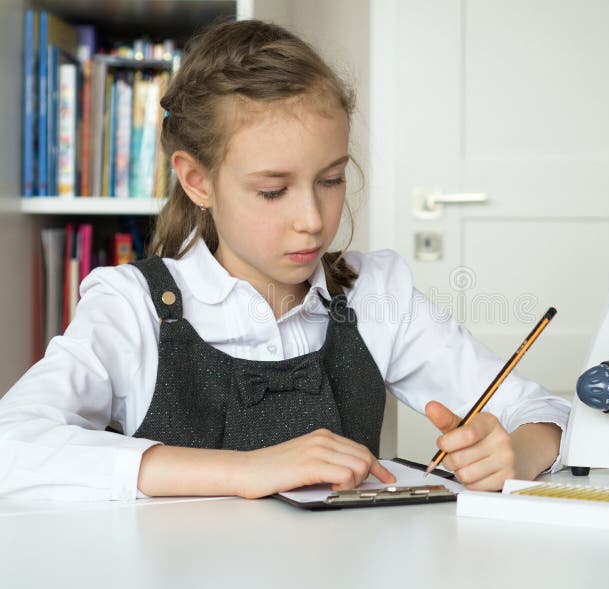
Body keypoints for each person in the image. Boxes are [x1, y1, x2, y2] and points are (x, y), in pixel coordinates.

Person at [0, 20, 569, 501]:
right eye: (273, 190)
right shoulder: (133, 307)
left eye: (331, 180)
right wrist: (246, 471)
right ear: (197, 181)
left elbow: (545, 411)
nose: (314, 220)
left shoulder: (376, 297)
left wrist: (515, 451)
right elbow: (13, 444)